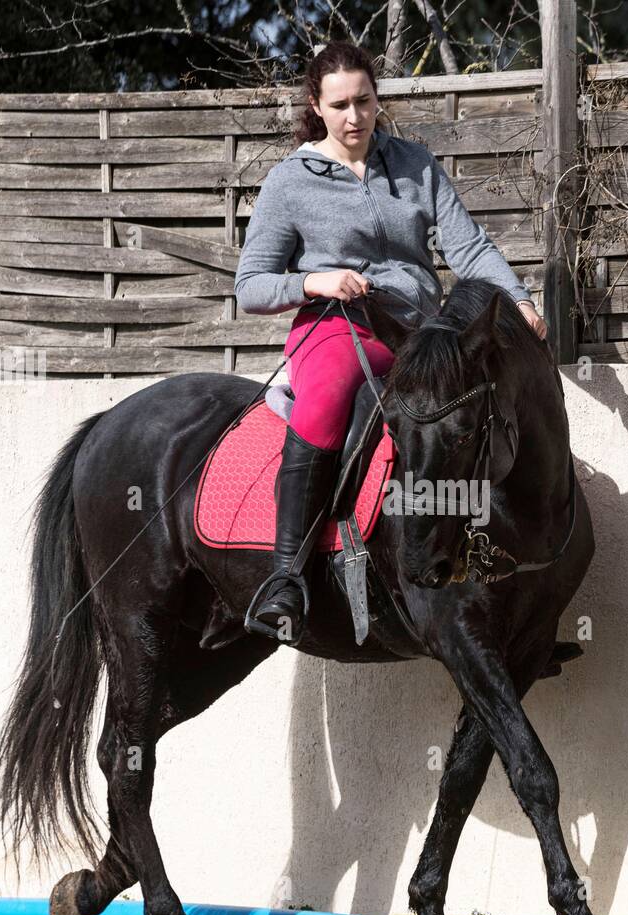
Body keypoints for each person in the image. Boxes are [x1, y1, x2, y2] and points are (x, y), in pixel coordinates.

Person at [234, 39, 547, 645]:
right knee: (327, 396)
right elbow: (251, 286)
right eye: (340, 105)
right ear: (316, 107)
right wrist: (315, 280)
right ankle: (286, 578)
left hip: (417, 329)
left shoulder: (415, 164)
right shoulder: (289, 182)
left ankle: (489, 565)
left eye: (365, 101)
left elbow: (469, 249)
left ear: (379, 99)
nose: (355, 117)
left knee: (470, 406)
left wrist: (520, 299)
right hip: (335, 324)